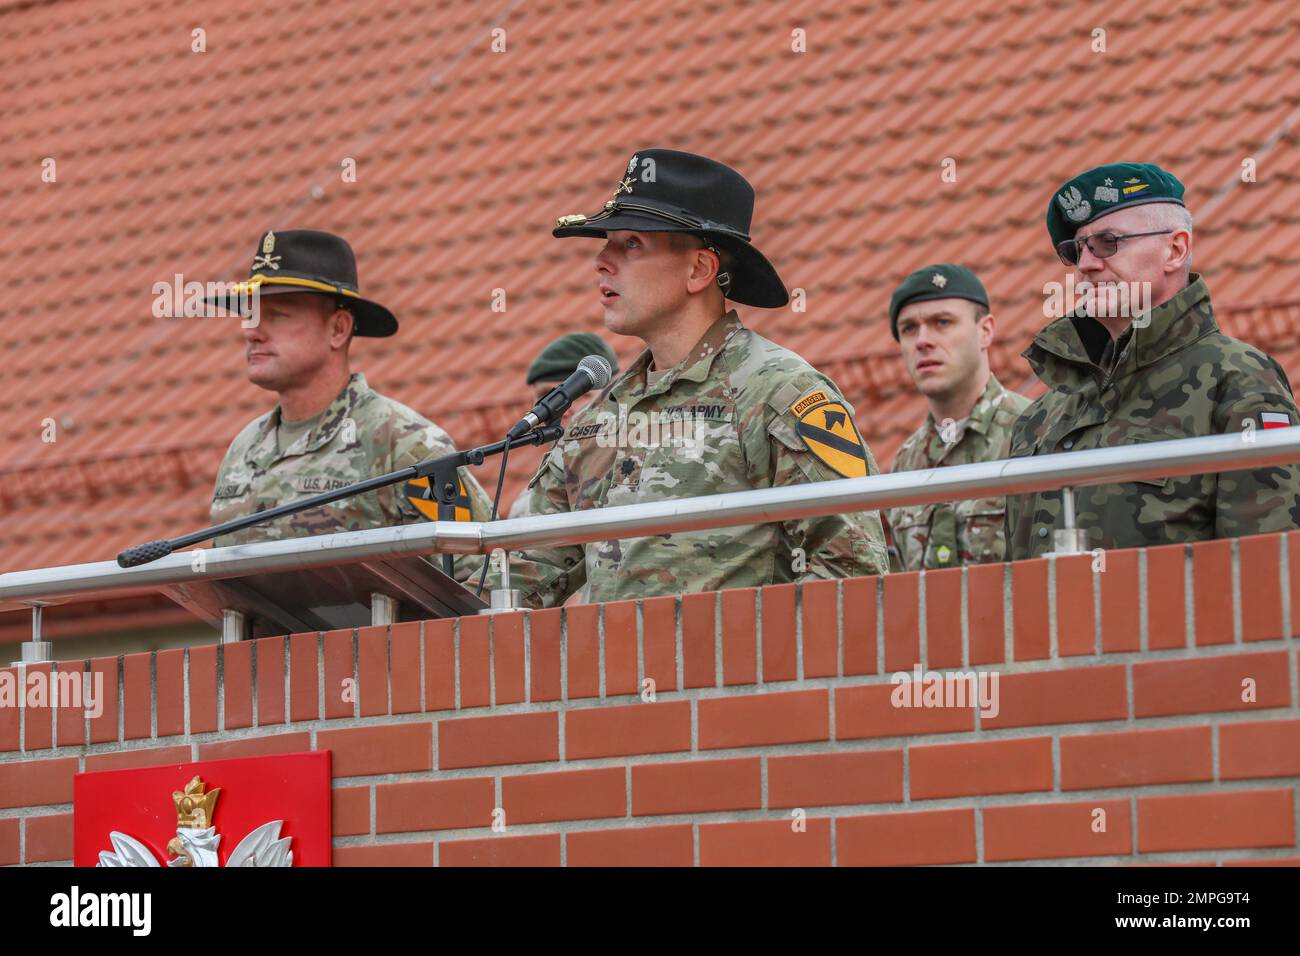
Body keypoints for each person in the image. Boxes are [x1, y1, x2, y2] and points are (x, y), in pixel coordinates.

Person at [499, 148, 890, 607]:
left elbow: (854, 572)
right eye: (607, 241)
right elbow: (517, 580)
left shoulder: (780, 393)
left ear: (699, 269)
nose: (601, 260)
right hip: (614, 677)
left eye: (631, 244)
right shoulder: (598, 419)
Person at [1006, 162, 1300, 558]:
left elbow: (1266, 574)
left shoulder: (1238, 381)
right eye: (1076, 250)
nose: (1087, 264)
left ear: (1175, 250)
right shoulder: (1040, 419)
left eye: (1108, 243)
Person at [208, 229, 493, 559]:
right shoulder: (243, 449)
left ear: (338, 329)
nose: (251, 332)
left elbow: (481, 573)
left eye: (277, 315)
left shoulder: (402, 442)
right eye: (250, 315)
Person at [885, 264, 1029, 570]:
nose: (922, 340)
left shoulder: (1035, 433)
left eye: (943, 322)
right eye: (909, 329)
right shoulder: (904, 466)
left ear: (985, 331)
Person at [508, 332, 619, 519]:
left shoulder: (633, 476)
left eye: (580, 394)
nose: (562, 408)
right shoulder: (525, 504)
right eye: (547, 396)